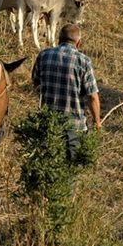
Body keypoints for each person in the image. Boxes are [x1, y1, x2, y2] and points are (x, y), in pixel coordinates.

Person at [31, 23, 101, 159]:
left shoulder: (43, 55)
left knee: (46, 166)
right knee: (67, 171)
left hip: (47, 123)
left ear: (58, 39)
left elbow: (36, 82)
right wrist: (97, 121)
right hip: (74, 127)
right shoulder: (84, 61)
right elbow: (92, 97)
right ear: (78, 43)